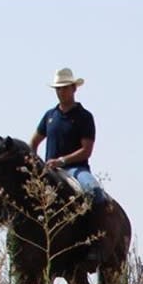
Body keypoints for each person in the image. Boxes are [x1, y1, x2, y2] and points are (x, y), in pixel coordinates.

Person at [29, 68, 104, 207]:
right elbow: (34, 142)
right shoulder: (50, 116)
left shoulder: (84, 116)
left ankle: (97, 227)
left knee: (94, 192)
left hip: (75, 169)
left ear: (74, 88)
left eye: (64, 88)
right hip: (50, 170)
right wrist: (35, 165)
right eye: (58, 89)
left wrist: (62, 161)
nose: (60, 92)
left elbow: (86, 150)